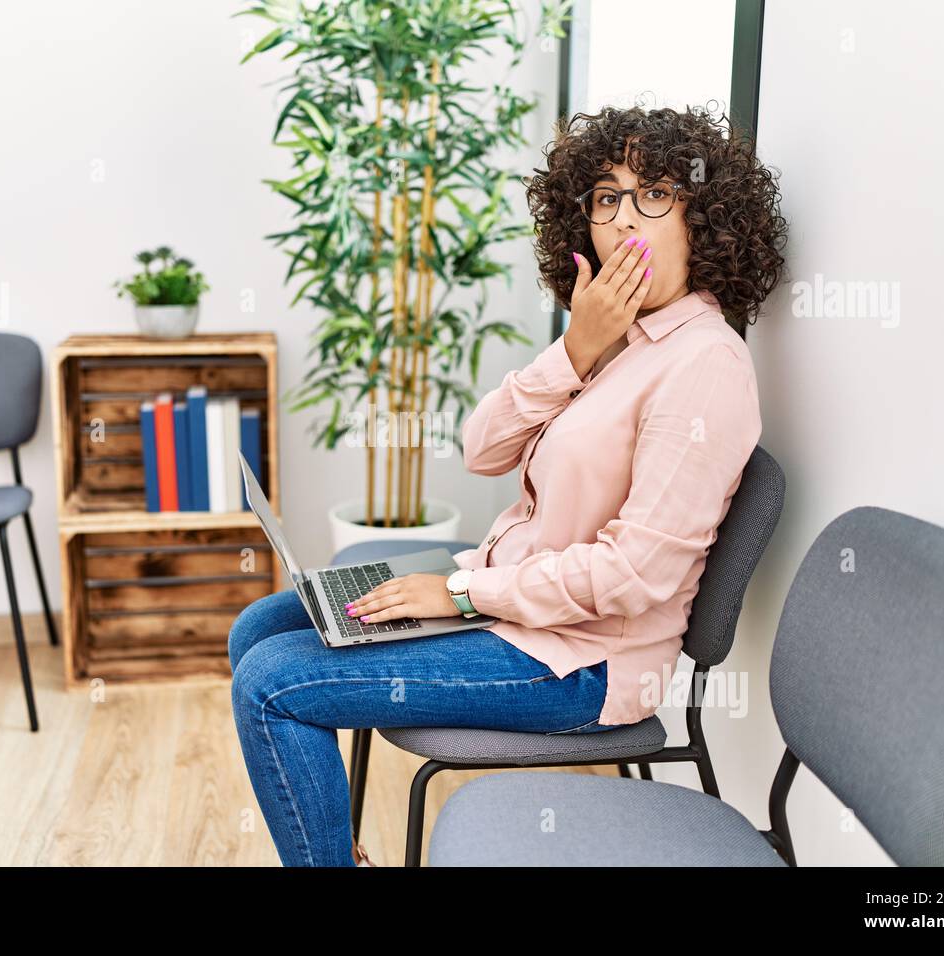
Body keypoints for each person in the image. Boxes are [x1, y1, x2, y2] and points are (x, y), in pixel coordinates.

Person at [228, 104, 787, 866]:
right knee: (257, 628)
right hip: (511, 603)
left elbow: (635, 574)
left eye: (655, 193)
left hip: (579, 664)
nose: (625, 221)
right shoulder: (610, 339)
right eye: (605, 198)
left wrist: (457, 597)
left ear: (705, 218)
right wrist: (574, 349)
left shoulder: (704, 369)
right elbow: (482, 448)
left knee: (270, 683)